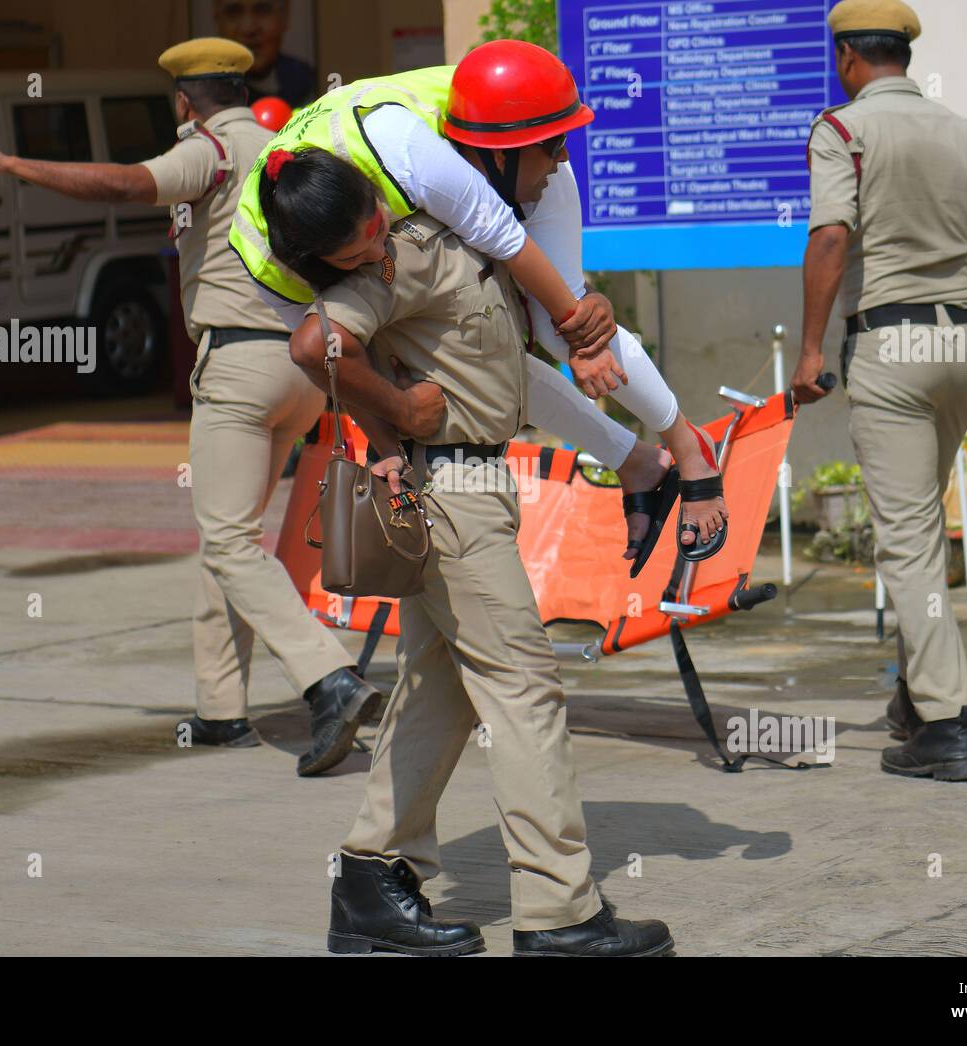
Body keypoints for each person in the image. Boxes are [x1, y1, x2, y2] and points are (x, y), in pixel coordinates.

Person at [0, 38, 382, 776]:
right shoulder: (285, 145)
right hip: (304, 369)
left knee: (231, 542)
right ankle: (220, 709)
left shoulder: (210, 151)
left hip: (239, 369)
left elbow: (121, 184)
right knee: (227, 537)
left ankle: (329, 679)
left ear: (184, 100)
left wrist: (10, 164)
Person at [286, 163, 674, 955]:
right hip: (450, 495)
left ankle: (370, 877)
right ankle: (559, 912)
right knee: (524, 691)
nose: (555, 165)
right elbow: (315, 342)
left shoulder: (483, 239)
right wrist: (394, 412)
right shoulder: (408, 253)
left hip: (474, 484)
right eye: (542, 149)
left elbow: (531, 365)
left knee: (439, 690)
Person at [230, 41, 729, 574]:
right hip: (490, 157)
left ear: (374, 192)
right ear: (318, 262)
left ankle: (688, 445)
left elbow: (504, 235)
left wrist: (576, 330)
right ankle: (639, 464)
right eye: (358, 256)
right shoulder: (269, 266)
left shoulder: (403, 153)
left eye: (381, 231)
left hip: (513, 140)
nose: (380, 254)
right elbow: (337, 365)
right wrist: (388, 441)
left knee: (555, 327)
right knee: (461, 354)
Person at [791, 0, 967, 781]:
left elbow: (832, 236)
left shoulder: (842, 130)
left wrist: (811, 347)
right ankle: (916, 697)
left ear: (847, 58)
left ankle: (946, 727)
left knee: (906, 540)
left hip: (892, 346)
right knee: (922, 518)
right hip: (962, 349)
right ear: (903, 57)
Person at [213, 0, 315, 107]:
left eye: (263, 10)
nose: (248, 29)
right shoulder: (203, 96)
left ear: (284, 15)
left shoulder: (309, 83)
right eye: (233, 12)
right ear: (217, 18)